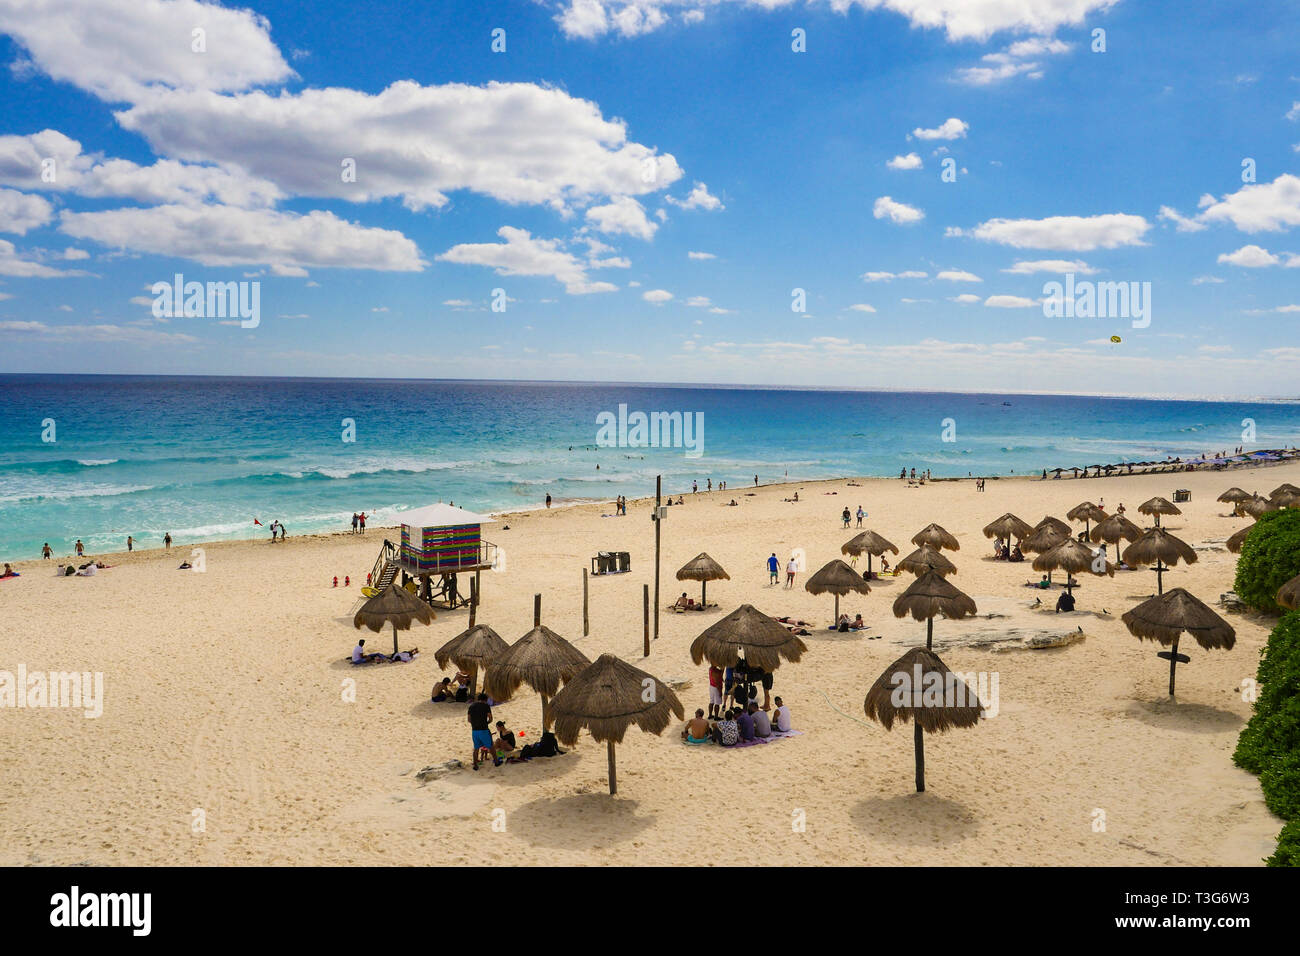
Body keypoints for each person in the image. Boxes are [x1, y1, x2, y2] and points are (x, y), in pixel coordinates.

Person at [468, 693, 493, 770]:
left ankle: (475, 765)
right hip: (483, 729)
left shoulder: (471, 706)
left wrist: (475, 724)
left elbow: (469, 720)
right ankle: (496, 761)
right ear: (485, 700)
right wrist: (487, 723)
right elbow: (490, 718)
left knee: (476, 748)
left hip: (474, 730)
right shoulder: (486, 706)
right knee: (491, 746)